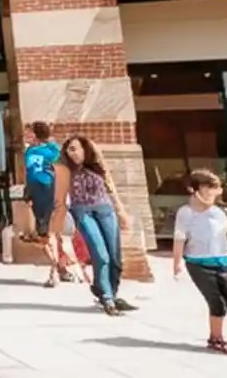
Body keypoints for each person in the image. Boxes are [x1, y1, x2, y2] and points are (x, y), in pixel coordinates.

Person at [173, 169, 227, 357]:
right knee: (217, 304)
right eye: (209, 187)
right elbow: (179, 237)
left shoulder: (220, 213)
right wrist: (176, 263)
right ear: (195, 189)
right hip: (198, 263)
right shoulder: (185, 213)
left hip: (223, 263)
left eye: (216, 188)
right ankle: (215, 338)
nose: (214, 192)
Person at [50, 135, 136, 316]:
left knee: (115, 257)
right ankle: (107, 297)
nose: (72, 153)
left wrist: (121, 212)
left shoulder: (97, 166)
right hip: (82, 212)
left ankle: (110, 292)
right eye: (69, 149)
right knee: (101, 254)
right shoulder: (64, 170)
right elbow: (59, 196)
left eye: (75, 148)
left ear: (84, 149)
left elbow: (110, 187)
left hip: (105, 209)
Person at [23, 122, 69, 286]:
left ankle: (54, 271)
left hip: (50, 193)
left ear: (35, 134)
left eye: (29, 133)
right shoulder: (29, 151)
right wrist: (27, 193)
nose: (26, 136)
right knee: (45, 236)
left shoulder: (53, 151)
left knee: (50, 235)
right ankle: (59, 268)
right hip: (36, 196)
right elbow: (29, 173)